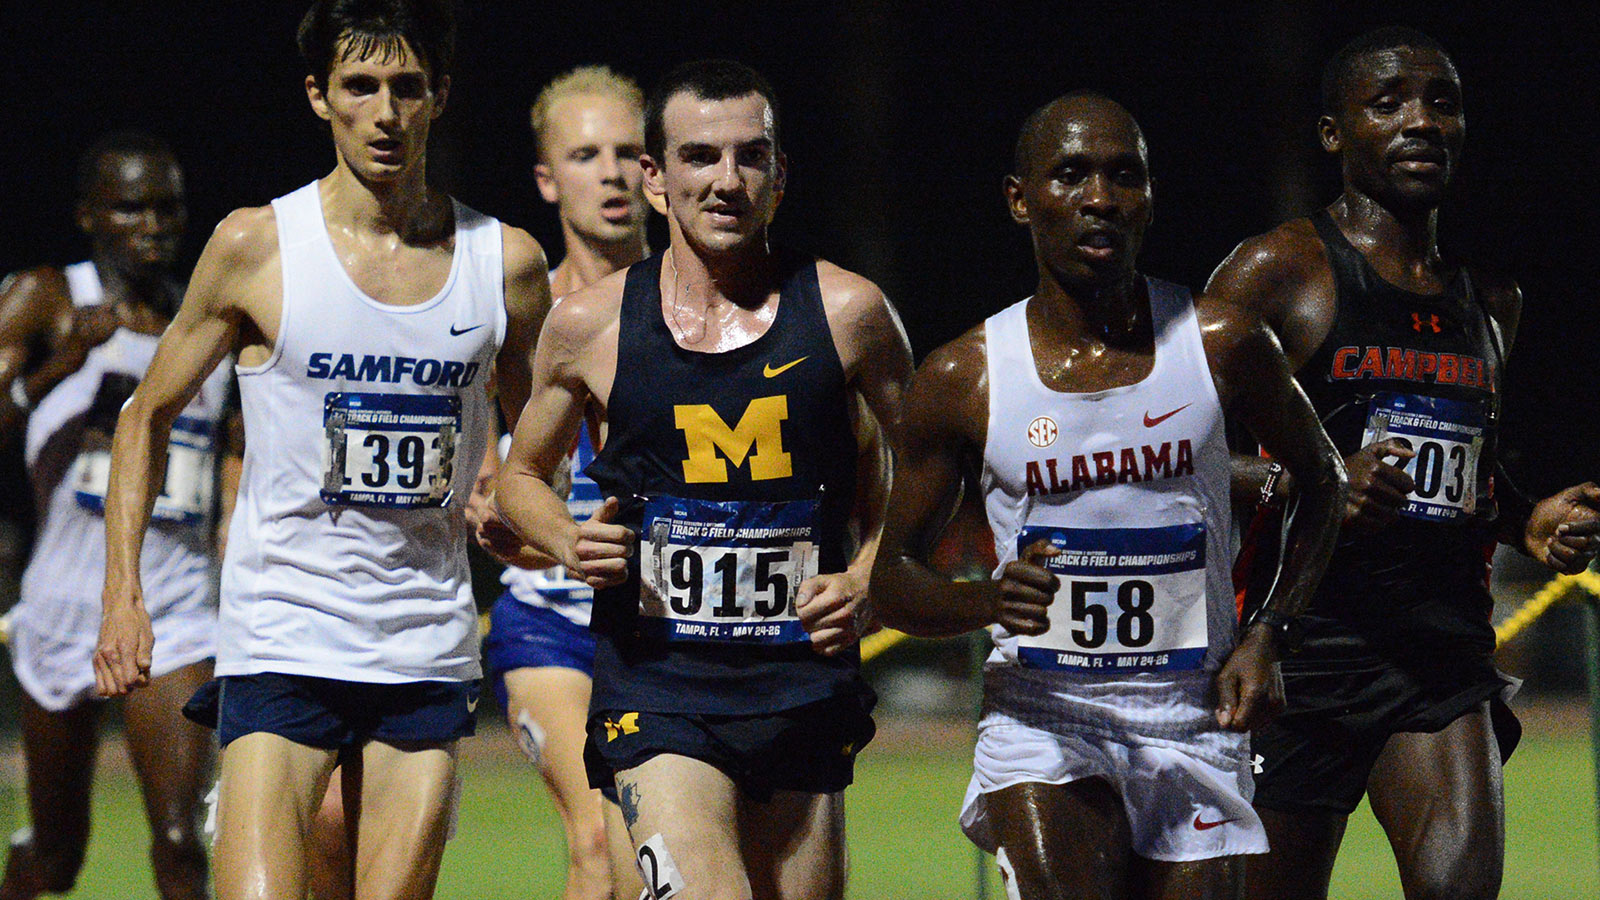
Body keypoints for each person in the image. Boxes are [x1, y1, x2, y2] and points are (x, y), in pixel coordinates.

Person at [92, 2, 552, 899]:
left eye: (408, 87)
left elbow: (542, 444)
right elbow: (144, 415)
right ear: (318, 96)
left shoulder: (503, 263)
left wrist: (517, 507)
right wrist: (124, 596)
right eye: (361, 87)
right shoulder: (256, 246)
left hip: (423, 641)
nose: (386, 112)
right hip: (283, 627)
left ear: (440, 96)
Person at [870, 93, 1349, 899]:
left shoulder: (1221, 343)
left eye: (1124, 175)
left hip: (1194, 717)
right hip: (1044, 716)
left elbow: (1325, 481)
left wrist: (1270, 633)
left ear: (1151, 197)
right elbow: (893, 579)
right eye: (1070, 175)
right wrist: (985, 602)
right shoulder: (964, 377)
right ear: (1020, 200)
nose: (1100, 198)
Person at [494, 59, 913, 900]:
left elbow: (929, 479)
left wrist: (868, 575)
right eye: (698, 157)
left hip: (801, 682)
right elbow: (520, 478)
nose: (726, 181)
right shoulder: (589, 325)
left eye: (749, 156)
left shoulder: (851, 313)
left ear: (779, 173)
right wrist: (568, 540)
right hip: (658, 689)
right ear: (656, 178)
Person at [1205, 27, 1600, 900]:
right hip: (1294, 655)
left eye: (1442, 103)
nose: (1421, 121)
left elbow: (1473, 477)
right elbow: (1165, 447)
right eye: (1388, 104)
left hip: (1438, 661)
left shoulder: (1491, 300)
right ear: (1334, 135)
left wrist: (1528, 519)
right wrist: (1310, 478)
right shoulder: (1277, 273)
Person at [0, 132, 229, 900]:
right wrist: (58, 366)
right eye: (131, 208)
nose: (153, 226)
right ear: (89, 216)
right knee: (57, 857)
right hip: (63, 605)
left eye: (168, 208)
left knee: (178, 839)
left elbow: (237, 458)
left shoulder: (213, 320)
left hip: (177, 610)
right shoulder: (48, 297)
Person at [475, 64, 651, 900]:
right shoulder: (514, 322)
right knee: (599, 833)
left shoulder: (706, 313)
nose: (611, 172)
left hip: (672, 624)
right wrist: (486, 500)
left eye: (628, 151)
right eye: (585, 154)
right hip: (550, 628)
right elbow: (480, 470)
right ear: (548, 179)